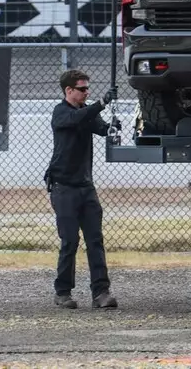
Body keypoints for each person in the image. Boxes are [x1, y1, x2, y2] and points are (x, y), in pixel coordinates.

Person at [45, 69, 120, 310]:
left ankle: (101, 292)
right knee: (69, 241)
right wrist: (101, 104)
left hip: (85, 187)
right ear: (69, 90)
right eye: (82, 89)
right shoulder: (61, 113)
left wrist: (113, 127)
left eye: (88, 88)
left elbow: (99, 127)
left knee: (95, 240)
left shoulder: (85, 113)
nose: (87, 92)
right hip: (63, 187)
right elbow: (78, 119)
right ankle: (63, 292)